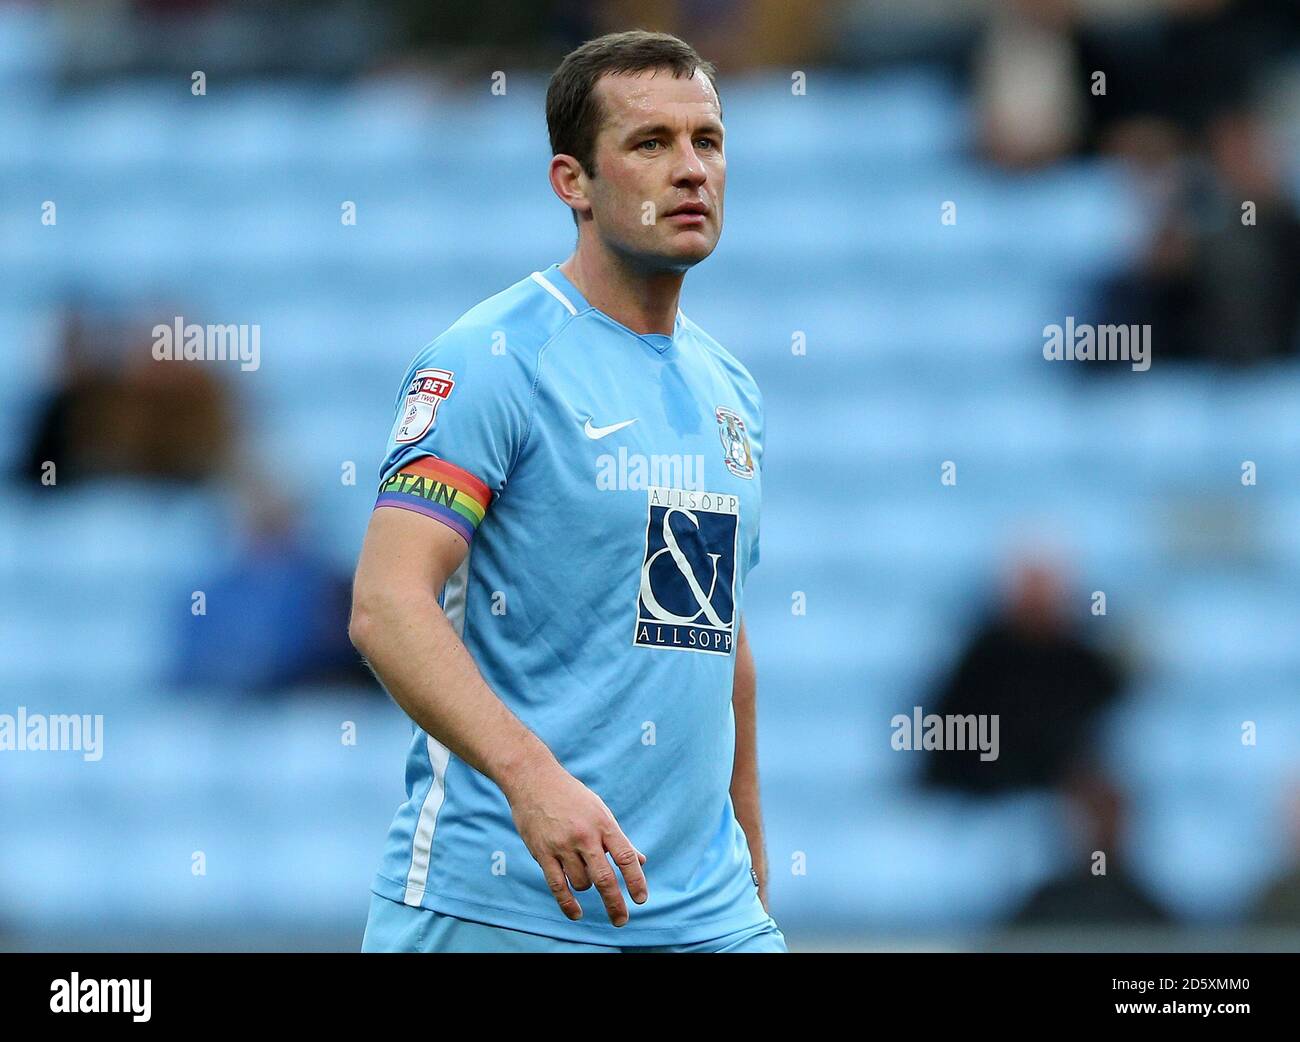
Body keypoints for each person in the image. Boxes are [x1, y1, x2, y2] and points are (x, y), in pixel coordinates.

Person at [350, 30, 784, 953]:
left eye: (706, 141)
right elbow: (387, 605)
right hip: (501, 905)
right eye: (650, 143)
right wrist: (530, 778)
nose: (690, 170)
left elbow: (719, 639)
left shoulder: (729, 391)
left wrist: (747, 852)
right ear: (571, 182)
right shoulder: (492, 360)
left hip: (705, 917)